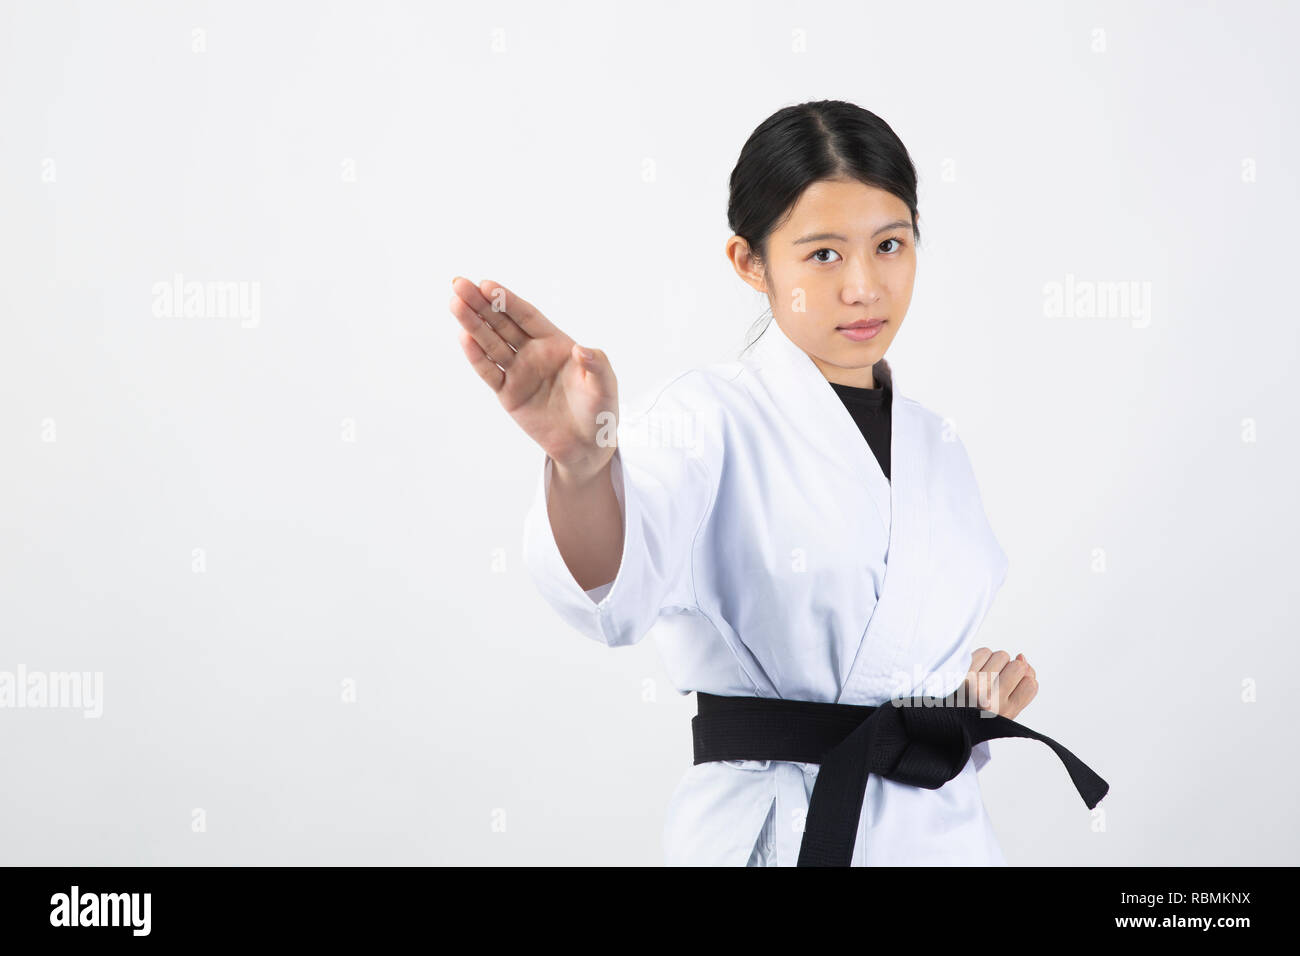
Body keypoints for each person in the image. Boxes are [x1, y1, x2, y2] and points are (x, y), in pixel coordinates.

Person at [449, 100, 1104, 866]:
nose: (864, 287)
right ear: (749, 262)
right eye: (823, 254)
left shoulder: (937, 445)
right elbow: (610, 600)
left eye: (890, 244)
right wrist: (582, 466)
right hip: (780, 831)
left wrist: (960, 701)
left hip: (946, 838)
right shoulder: (704, 416)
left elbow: (887, 662)